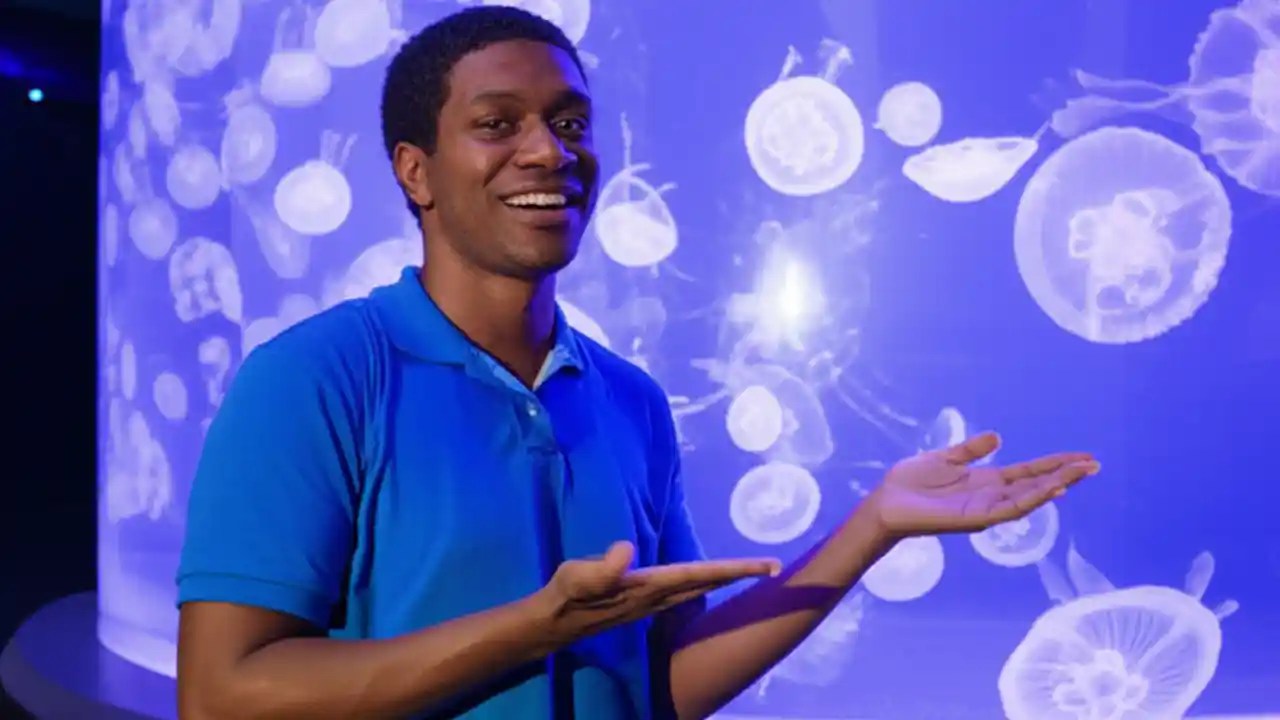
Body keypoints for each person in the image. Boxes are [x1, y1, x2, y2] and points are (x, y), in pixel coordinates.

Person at [174, 6, 1100, 719]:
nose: (549, 149)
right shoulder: (315, 378)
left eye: (571, 122)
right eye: (497, 124)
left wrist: (874, 526)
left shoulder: (629, 399)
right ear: (415, 172)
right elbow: (219, 695)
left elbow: (663, 684)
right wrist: (532, 630)